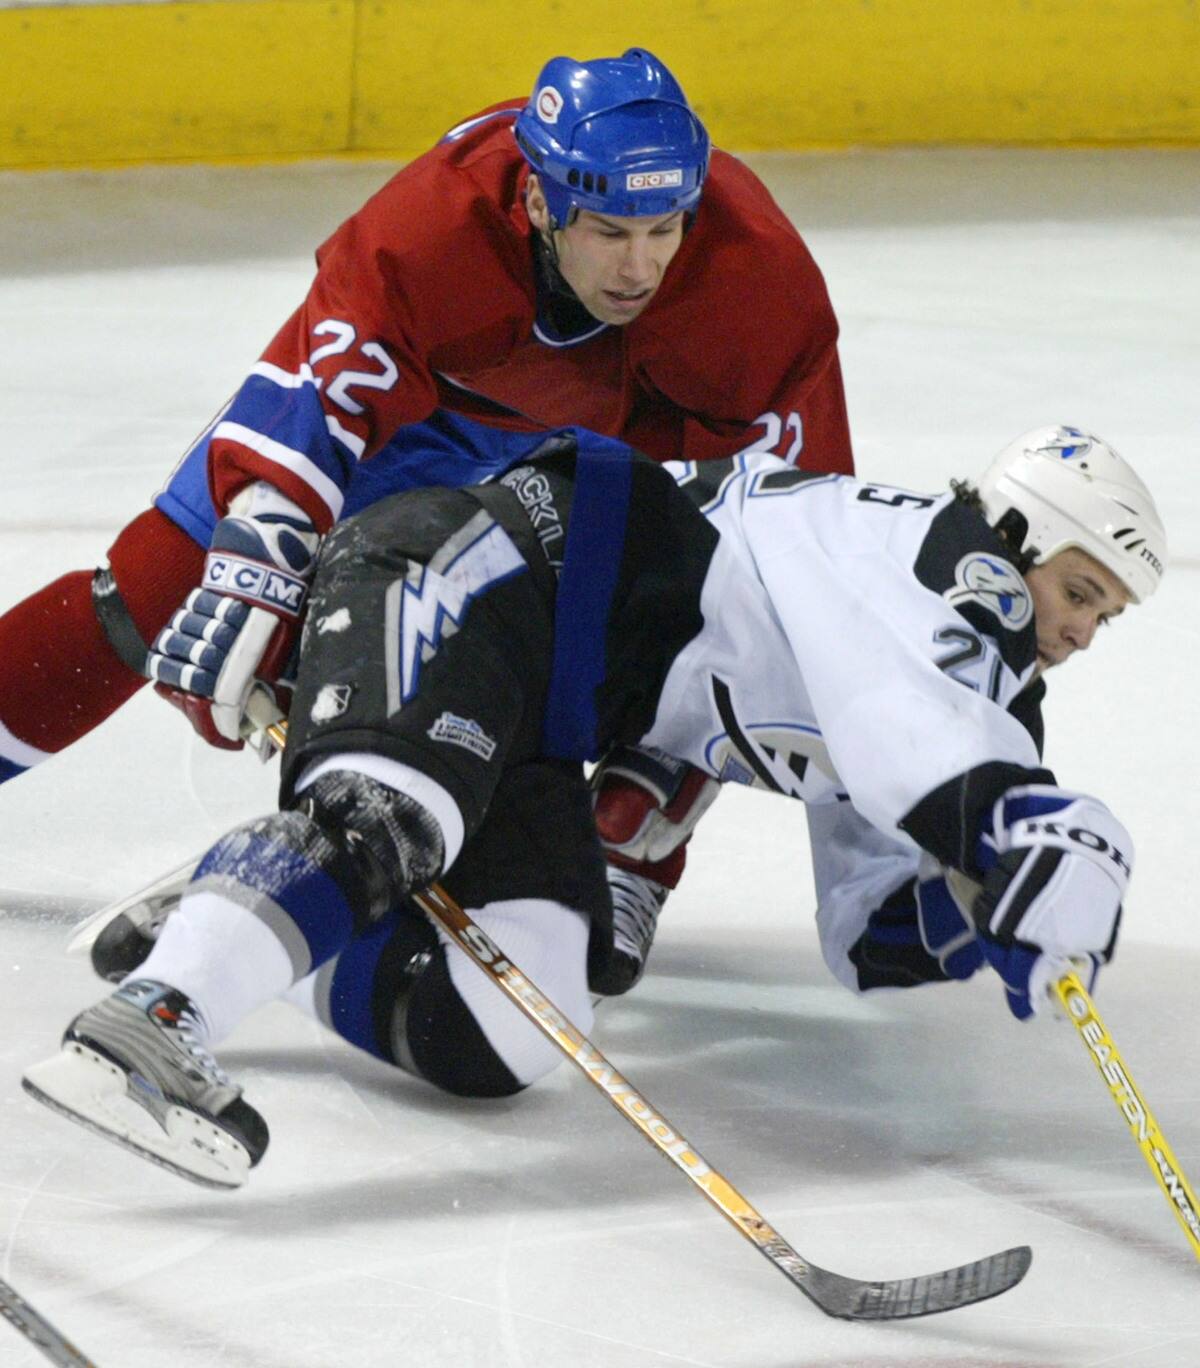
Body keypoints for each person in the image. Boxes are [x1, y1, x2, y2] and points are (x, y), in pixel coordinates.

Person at [22, 422, 1166, 1189]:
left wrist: (976, 902)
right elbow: (918, 736)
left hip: (546, 722)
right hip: (474, 573)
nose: (1076, 631)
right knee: (388, 822)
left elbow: (867, 923)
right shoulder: (914, 555)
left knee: (507, 1031)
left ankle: (256, 912)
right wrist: (1018, 833)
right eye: (1076, 589)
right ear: (1008, 535)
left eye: (1103, 617)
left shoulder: (960, 695)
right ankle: (158, 1019)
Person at [0, 47, 852, 787]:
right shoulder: (433, 230)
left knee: (599, 663)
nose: (641, 268)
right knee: (161, 585)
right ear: (542, 204)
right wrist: (259, 551)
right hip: (427, 400)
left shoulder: (753, 286)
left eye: (663, 229)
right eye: (608, 231)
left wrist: (674, 774)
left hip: (607, 440)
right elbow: (322, 389)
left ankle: (606, 860)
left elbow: (788, 536)